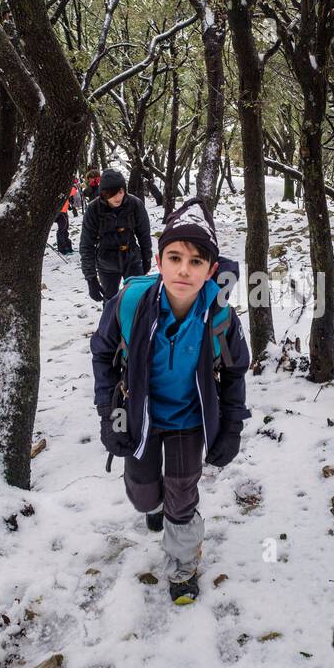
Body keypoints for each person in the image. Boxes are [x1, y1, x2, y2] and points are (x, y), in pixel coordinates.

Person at [89, 197, 251, 605]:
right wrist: (112, 416)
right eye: (174, 257)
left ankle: (182, 566)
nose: (184, 269)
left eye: (196, 262)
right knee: (145, 494)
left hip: (188, 419)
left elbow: (233, 372)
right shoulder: (129, 303)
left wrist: (231, 428)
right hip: (139, 415)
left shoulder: (219, 316)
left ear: (212, 270)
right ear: (158, 261)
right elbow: (103, 354)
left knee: (181, 491)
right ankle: (152, 504)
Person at [79, 167, 151, 301]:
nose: (117, 197)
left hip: (132, 260)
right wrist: (91, 279)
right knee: (110, 303)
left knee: (137, 300)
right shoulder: (94, 209)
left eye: (120, 192)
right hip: (106, 264)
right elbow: (86, 244)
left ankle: (135, 322)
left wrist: (146, 258)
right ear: (103, 193)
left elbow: (144, 234)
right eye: (111, 193)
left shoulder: (135, 204)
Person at [54, 179, 78, 254]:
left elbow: (72, 191)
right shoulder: (60, 189)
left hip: (63, 210)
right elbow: (72, 191)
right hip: (60, 211)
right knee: (62, 229)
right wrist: (73, 186)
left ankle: (67, 247)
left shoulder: (64, 189)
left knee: (65, 228)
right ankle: (63, 248)